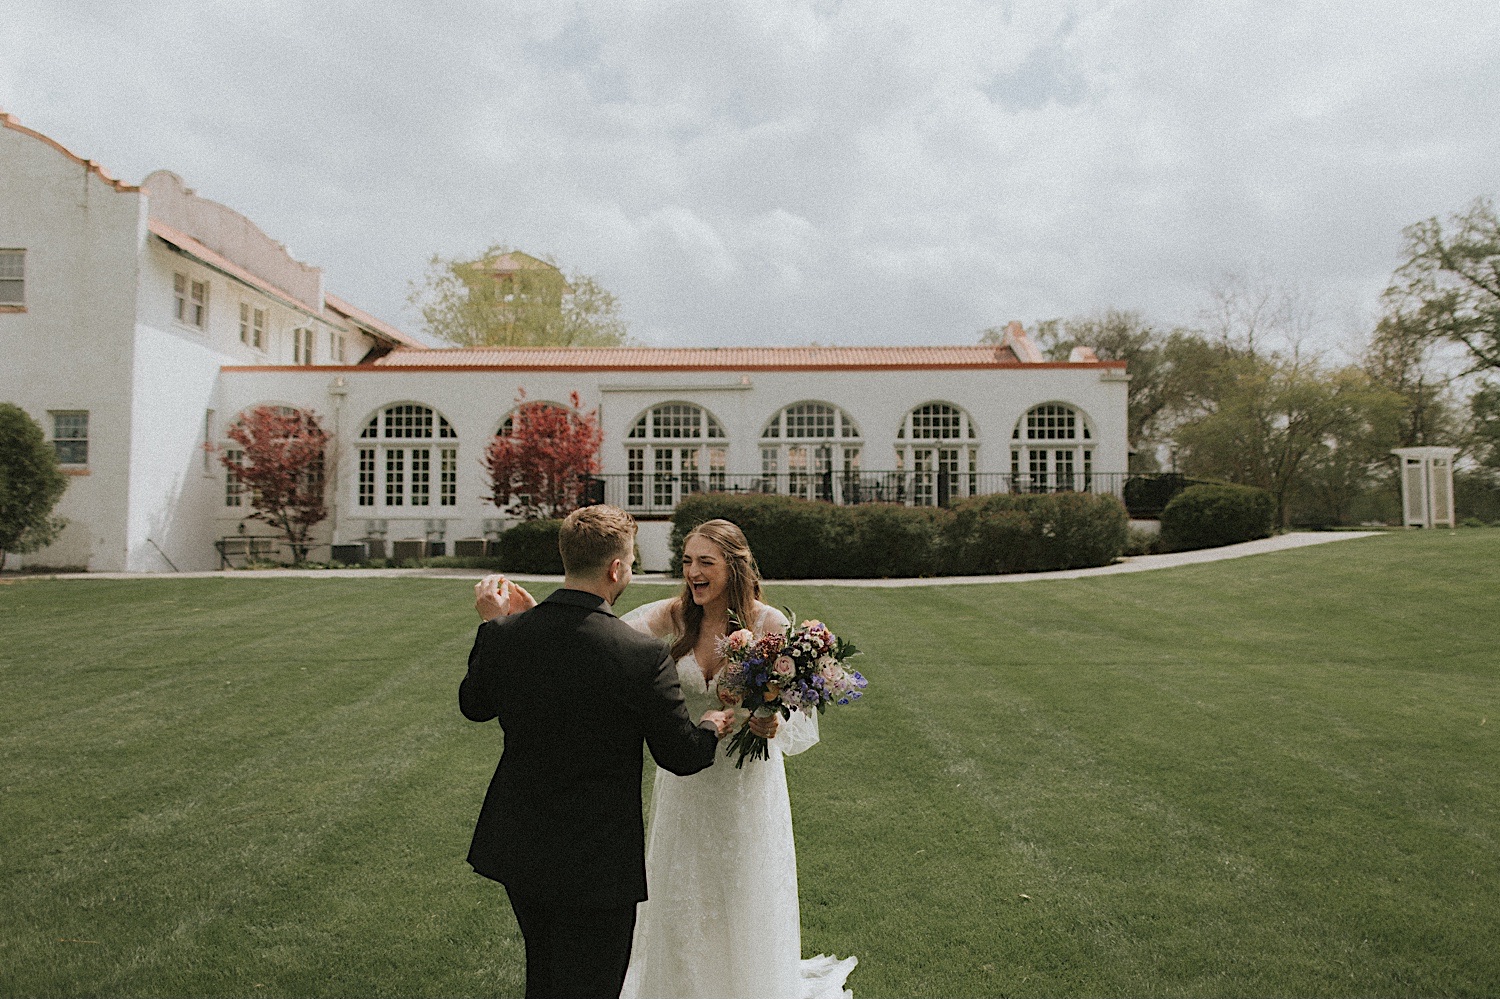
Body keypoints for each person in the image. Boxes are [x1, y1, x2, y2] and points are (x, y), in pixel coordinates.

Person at [459, 504, 735, 999]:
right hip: (597, 855)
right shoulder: (639, 654)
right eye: (630, 561)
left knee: (544, 973)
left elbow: (474, 707)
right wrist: (712, 725)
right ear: (615, 568)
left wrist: (495, 628)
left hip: (521, 842)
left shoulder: (507, 634)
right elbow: (682, 755)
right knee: (593, 985)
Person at [618, 519, 858, 999]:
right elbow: (606, 637)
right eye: (687, 561)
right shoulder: (674, 616)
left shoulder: (770, 625)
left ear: (734, 565)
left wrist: (775, 722)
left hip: (747, 782)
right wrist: (543, 618)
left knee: (743, 887)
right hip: (687, 774)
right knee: (683, 888)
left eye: (706, 562)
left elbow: (799, 712)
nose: (693, 572)